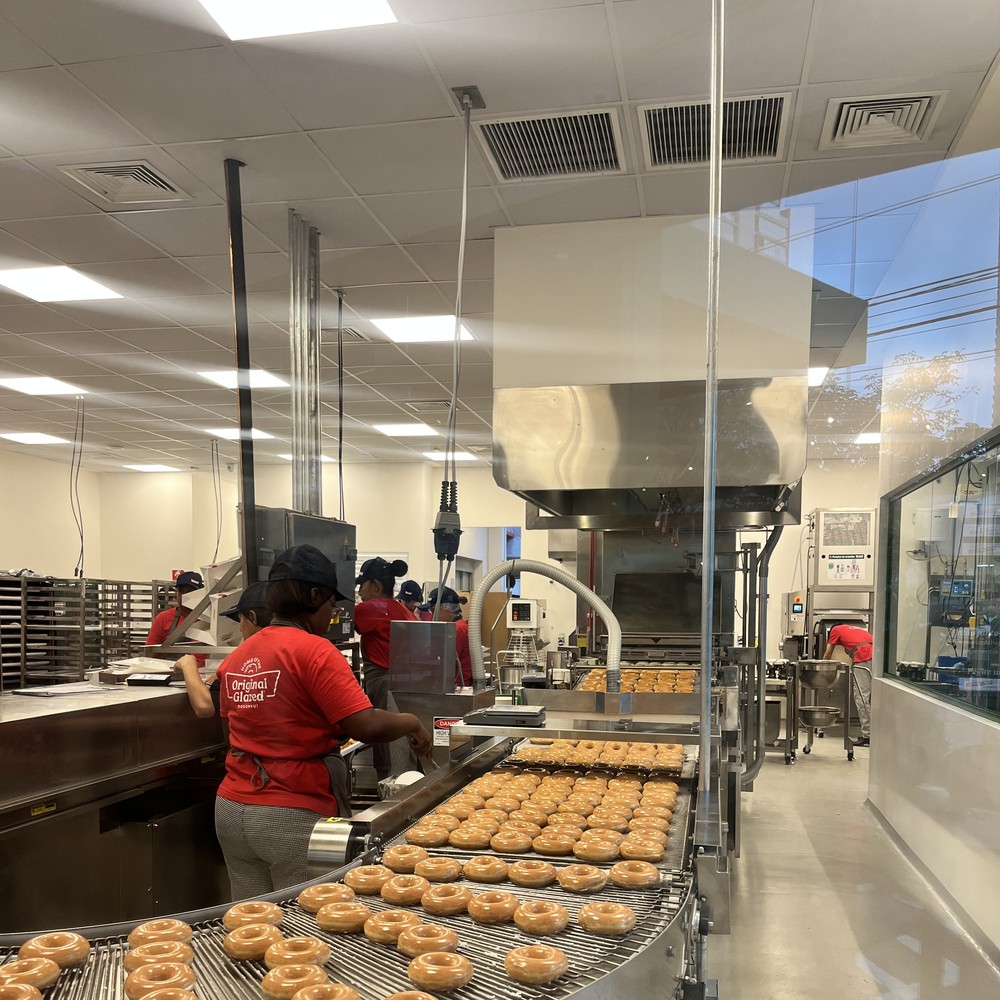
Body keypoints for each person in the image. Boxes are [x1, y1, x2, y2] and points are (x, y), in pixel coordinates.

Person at [214, 545, 431, 899]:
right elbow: (365, 726)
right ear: (315, 596)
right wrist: (411, 723)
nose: (332, 614)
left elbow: (232, 735)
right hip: (290, 812)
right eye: (331, 605)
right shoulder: (314, 651)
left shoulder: (238, 656)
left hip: (231, 809)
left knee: (252, 924)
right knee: (308, 925)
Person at [173, 580, 272, 720]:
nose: (240, 628)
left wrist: (188, 664)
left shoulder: (240, 660)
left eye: (240, 620)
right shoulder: (301, 649)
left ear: (253, 617)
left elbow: (204, 707)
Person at [353, 557, 414, 781]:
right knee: (403, 745)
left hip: (385, 683)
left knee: (388, 744)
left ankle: (388, 793)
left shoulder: (372, 608)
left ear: (376, 585)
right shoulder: (402, 609)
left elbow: (331, 622)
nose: (359, 592)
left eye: (362, 585)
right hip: (406, 684)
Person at [822, 623, 874, 747]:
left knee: (861, 697)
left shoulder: (835, 630)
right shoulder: (855, 629)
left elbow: (828, 653)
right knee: (873, 697)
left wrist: (823, 669)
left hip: (863, 658)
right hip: (877, 656)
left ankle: (868, 736)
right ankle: (877, 733)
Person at [146, 570, 207, 667]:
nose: (185, 596)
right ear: (176, 593)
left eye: (190, 592)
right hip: (171, 674)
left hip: (204, 675)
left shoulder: (209, 620)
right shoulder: (163, 618)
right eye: (181, 591)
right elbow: (149, 655)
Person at [420, 586, 472, 687]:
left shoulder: (457, 629)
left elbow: (442, 662)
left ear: (448, 607)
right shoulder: (459, 627)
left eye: (434, 610)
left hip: (456, 687)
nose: (432, 616)